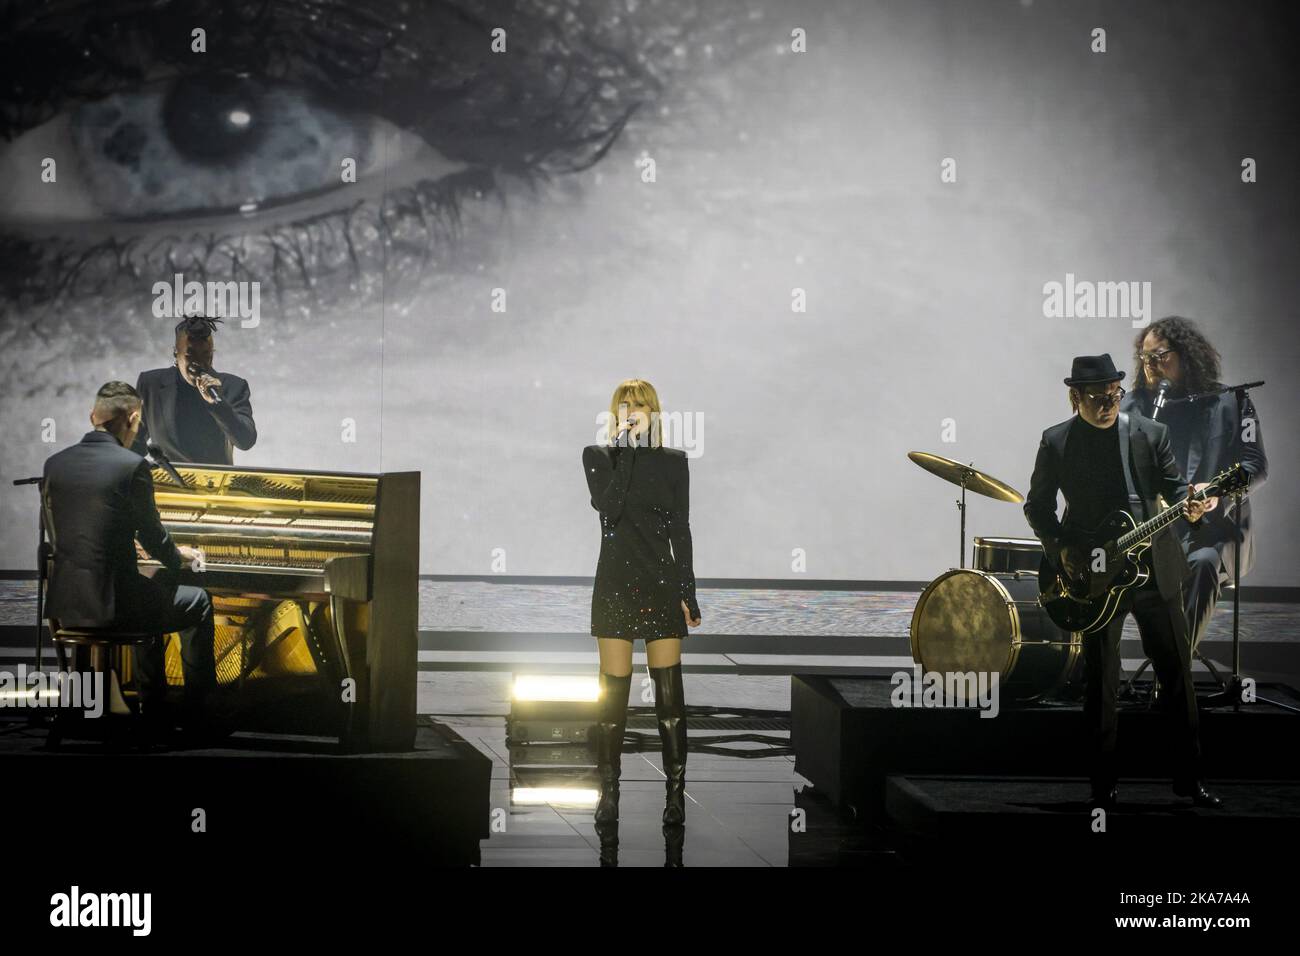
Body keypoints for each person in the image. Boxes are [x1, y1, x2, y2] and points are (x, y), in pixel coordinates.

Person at [1023, 354, 1219, 810]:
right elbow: (1037, 507)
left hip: (1153, 569)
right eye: (1097, 399)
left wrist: (1192, 504)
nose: (1108, 405)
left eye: (1115, 395)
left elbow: (1174, 489)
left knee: (1177, 677)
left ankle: (1190, 781)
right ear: (1075, 398)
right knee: (1101, 680)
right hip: (1092, 574)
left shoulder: (1152, 434)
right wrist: (1062, 549)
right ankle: (1102, 785)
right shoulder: (1056, 442)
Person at [43, 381, 218, 729]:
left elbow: (67, 533)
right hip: (117, 608)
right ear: (134, 418)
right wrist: (177, 556)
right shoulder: (132, 466)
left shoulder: (55, 464)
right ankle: (198, 716)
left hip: (66, 606)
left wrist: (120, 540)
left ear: (93, 416)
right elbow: (153, 534)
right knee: (197, 601)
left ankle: (149, 709)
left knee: (147, 590)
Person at [582, 379, 702, 828]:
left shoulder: (674, 463)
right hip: (614, 585)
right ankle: (608, 792)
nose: (632, 411)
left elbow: (681, 530)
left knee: (670, 702)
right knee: (612, 703)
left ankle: (675, 795)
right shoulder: (598, 458)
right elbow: (608, 509)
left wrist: (687, 591)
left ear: (655, 413)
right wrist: (627, 450)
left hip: (660, 585)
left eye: (641, 405)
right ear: (614, 412)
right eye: (625, 405)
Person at [1121, 316, 1268, 651]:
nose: (1151, 366)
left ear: (1186, 354)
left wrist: (1215, 491)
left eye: (1160, 356)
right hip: (1153, 535)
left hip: (1215, 532)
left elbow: (1255, 466)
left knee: (1202, 564)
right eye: (1145, 359)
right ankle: (1088, 675)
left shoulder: (1232, 402)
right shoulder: (1133, 406)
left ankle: (1175, 671)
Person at [132, 315, 257, 465]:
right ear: (175, 353)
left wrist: (218, 403)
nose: (199, 363)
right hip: (169, 485)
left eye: (206, 355)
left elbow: (246, 441)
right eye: (190, 356)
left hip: (215, 485)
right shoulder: (150, 385)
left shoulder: (232, 386)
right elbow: (135, 444)